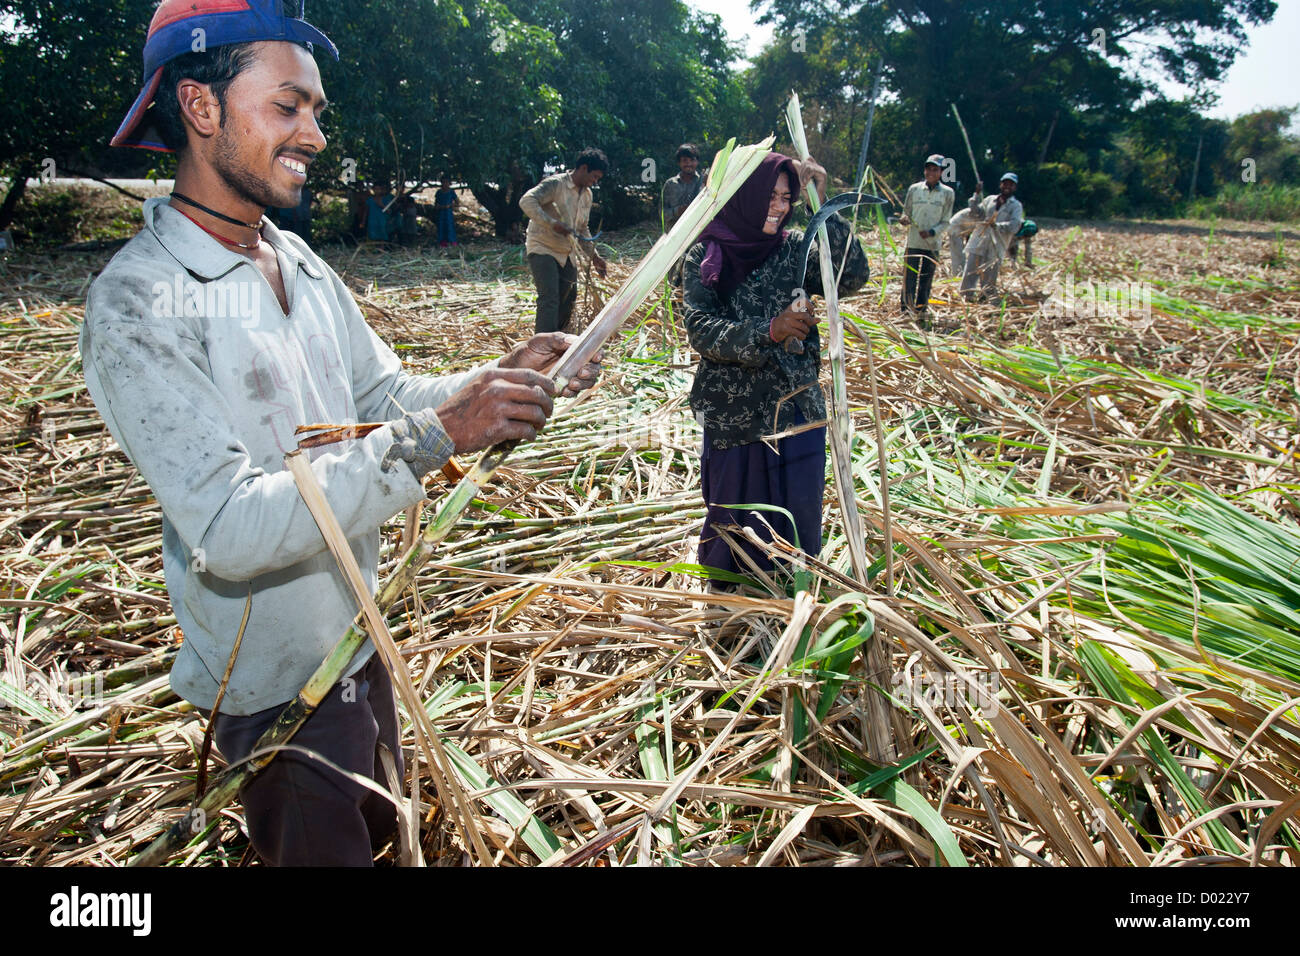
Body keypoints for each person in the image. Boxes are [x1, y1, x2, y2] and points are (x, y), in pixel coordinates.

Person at [82, 0, 601, 866]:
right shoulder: (139, 302)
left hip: (362, 636)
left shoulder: (298, 260)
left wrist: (495, 383)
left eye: (316, 111)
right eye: (288, 107)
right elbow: (229, 530)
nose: (315, 136)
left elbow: (383, 392)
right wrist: (441, 434)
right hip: (278, 689)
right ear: (201, 108)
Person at [682, 152, 869, 586]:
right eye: (769, 196)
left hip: (796, 408)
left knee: (796, 509)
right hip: (735, 415)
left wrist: (823, 204)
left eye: (787, 196)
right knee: (735, 513)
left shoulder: (794, 250)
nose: (780, 206)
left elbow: (851, 277)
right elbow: (701, 329)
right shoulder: (706, 256)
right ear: (742, 196)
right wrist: (770, 329)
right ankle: (730, 601)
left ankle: (789, 594)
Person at [519, 148, 609, 333]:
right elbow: (526, 201)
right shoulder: (556, 184)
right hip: (543, 247)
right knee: (549, 297)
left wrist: (595, 257)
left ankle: (558, 339)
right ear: (583, 168)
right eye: (594, 176)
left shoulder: (587, 195)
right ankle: (542, 345)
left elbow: (582, 229)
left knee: (569, 296)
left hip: (567, 252)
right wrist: (552, 224)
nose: (595, 181)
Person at [898, 154, 954, 319]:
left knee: (926, 280)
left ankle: (921, 311)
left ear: (941, 172)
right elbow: (906, 213)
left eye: (935, 169)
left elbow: (946, 221)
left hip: (932, 244)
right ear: (924, 170)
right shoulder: (914, 189)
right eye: (928, 169)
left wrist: (931, 232)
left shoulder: (948, 193)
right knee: (909, 278)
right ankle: (905, 312)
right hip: (913, 242)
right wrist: (904, 219)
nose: (931, 172)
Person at [956, 172, 1023, 301]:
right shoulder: (989, 200)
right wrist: (976, 195)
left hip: (997, 244)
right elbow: (975, 214)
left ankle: (985, 299)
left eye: (1011, 184)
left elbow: (1015, 225)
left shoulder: (1016, 206)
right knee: (970, 271)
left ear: (1015, 187)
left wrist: (997, 225)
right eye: (1005, 183)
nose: (1007, 186)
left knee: (990, 275)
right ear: (1000, 184)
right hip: (979, 241)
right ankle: (966, 298)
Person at [662, 143, 704, 230]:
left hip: (697, 233)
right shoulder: (670, 184)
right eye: (684, 160)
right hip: (674, 234)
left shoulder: (703, 182)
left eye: (692, 160)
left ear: (697, 162)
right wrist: (677, 211)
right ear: (679, 163)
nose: (688, 164)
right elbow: (662, 214)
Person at [434, 177, 458, 247]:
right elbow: (436, 203)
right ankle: (442, 242)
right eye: (443, 182)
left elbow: (457, 203)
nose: (445, 184)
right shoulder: (439, 192)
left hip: (448, 213)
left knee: (449, 226)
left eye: (446, 182)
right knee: (441, 227)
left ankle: (452, 242)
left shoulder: (451, 192)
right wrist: (439, 207)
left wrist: (449, 206)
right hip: (441, 213)